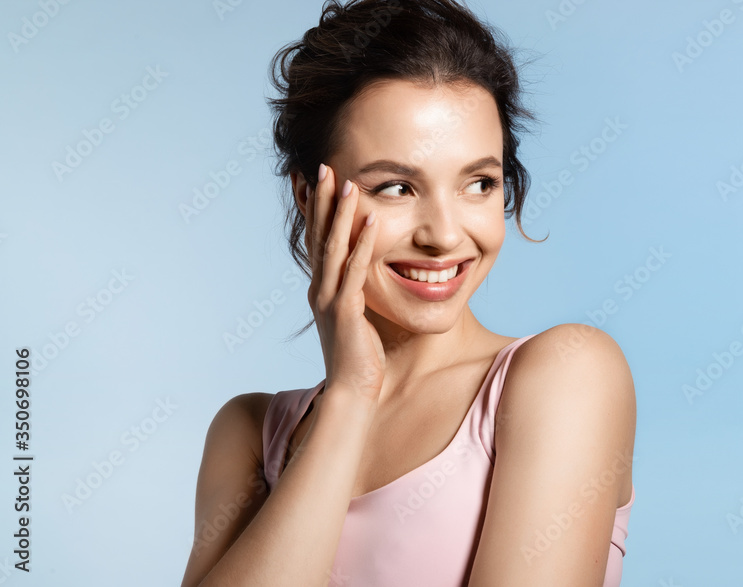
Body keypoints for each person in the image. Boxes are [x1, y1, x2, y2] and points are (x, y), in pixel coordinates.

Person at [179, 1, 636, 585]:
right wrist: (350, 395)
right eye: (396, 187)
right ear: (307, 196)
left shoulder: (566, 375)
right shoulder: (251, 432)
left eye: (479, 182)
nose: (444, 235)